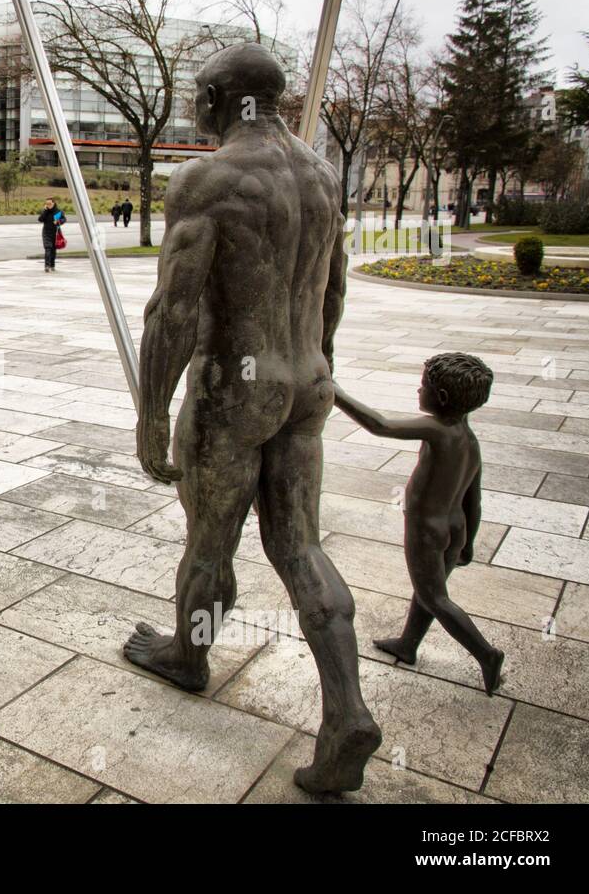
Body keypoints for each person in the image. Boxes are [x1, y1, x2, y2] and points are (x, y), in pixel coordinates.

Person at [122, 42, 381, 794]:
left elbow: (172, 309)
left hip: (235, 393)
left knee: (210, 539)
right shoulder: (323, 175)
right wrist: (318, 363)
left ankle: (189, 652)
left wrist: (150, 410)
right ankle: (346, 711)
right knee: (298, 543)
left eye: (195, 95)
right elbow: (333, 292)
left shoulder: (208, 180)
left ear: (216, 97)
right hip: (306, 382)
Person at [333, 354, 505, 696]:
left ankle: (487, 654)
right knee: (427, 589)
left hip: (427, 531)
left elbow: (380, 425)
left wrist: (335, 392)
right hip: (454, 528)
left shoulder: (436, 429)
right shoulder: (469, 440)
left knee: (435, 596)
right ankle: (408, 643)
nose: (418, 388)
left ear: (440, 397)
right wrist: (468, 541)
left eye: (424, 385)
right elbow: (474, 497)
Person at [38, 197, 64, 272]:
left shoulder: (58, 211)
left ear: (53, 203)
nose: (48, 205)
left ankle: (52, 265)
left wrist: (59, 221)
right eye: (47, 204)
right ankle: (47, 266)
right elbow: (40, 219)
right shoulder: (45, 211)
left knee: (53, 250)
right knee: (48, 248)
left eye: (49, 204)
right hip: (46, 232)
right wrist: (45, 211)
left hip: (55, 233)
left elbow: (64, 219)